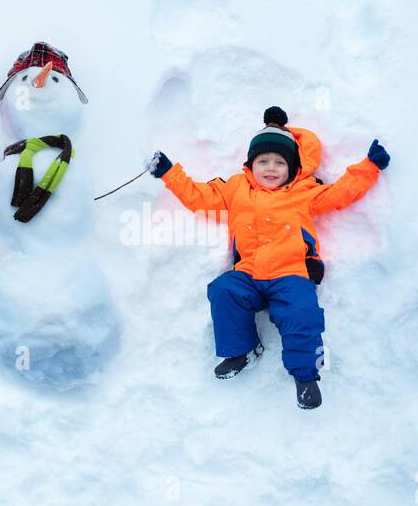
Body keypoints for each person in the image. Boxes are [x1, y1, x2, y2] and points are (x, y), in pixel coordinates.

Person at [149, 106, 390, 409]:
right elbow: (198, 196)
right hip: (248, 273)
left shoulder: (304, 192)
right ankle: (242, 350)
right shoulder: (235, 189)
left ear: (292, 167)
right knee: (223, 291)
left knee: (302, 314)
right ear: (251, 165)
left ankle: (305, 376)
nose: (271, 168)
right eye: (263, 161)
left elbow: (341, 193)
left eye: (279, 162)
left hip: (291, 275)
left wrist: (369, 167)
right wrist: (170, 173)